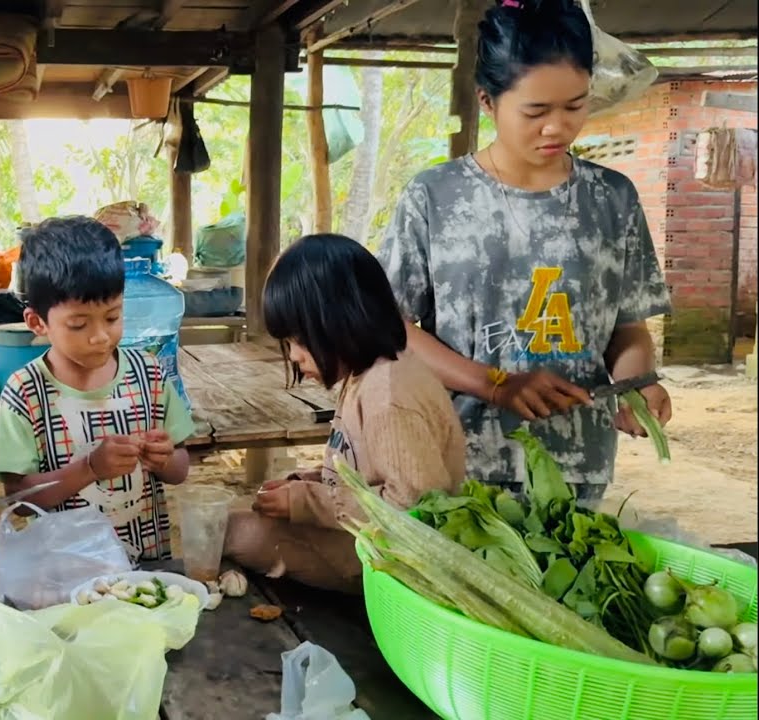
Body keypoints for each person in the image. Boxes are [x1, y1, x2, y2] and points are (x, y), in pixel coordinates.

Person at [377, 0, 672, 501]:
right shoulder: (436, 197)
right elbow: (390, 328)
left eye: (575, 106)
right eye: (535, 111)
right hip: (456, 460)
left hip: (576, 466)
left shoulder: (611, 198)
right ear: (488, 102)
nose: (557, 127)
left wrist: (636, 385)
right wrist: (494, 384)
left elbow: (627, 328)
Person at [223, 234, 466, 592]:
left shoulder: (389, 394)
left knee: (235, 534)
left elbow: (413, 510)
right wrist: (309, 482)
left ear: (342, 320)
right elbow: (362, 473)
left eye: (299, 341)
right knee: (237, 521)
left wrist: (307, 502)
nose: (294, 356)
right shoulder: (365, 375)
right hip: (371, 545)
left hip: (394, 569)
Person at [0, 216, 195, 562]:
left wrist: (165, 458)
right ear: (38, 323)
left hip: (145, 570)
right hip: (66, 574)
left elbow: (180, 469)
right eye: (79, 324)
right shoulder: (25, 393)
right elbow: (19, 500)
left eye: (112, 317)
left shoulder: (150, 376)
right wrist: (90, 468)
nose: (101, 336)